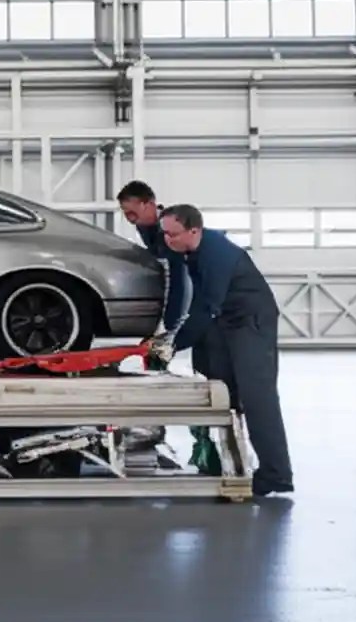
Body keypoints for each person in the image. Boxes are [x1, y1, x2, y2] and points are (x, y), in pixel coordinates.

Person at [158, 203, 294, 497]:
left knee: (257, 397)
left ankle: (277, 474)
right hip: (226, 321)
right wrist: (174, 335)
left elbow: (206, 307)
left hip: (250, 322)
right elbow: (199, 303)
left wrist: (172, 343)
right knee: (220, 386)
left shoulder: (215, 255)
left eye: (172, 234)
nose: (168, 240)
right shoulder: (193, 250)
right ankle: (225, 458)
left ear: (194, 230)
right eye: (164, 234)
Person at [115, 181, 198, 357]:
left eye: (133, 213)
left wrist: (170, 327)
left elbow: (180, 279)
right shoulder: (145, 226)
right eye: (125, 213)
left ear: (149, 205)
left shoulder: (171, 229)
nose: (130, 219)